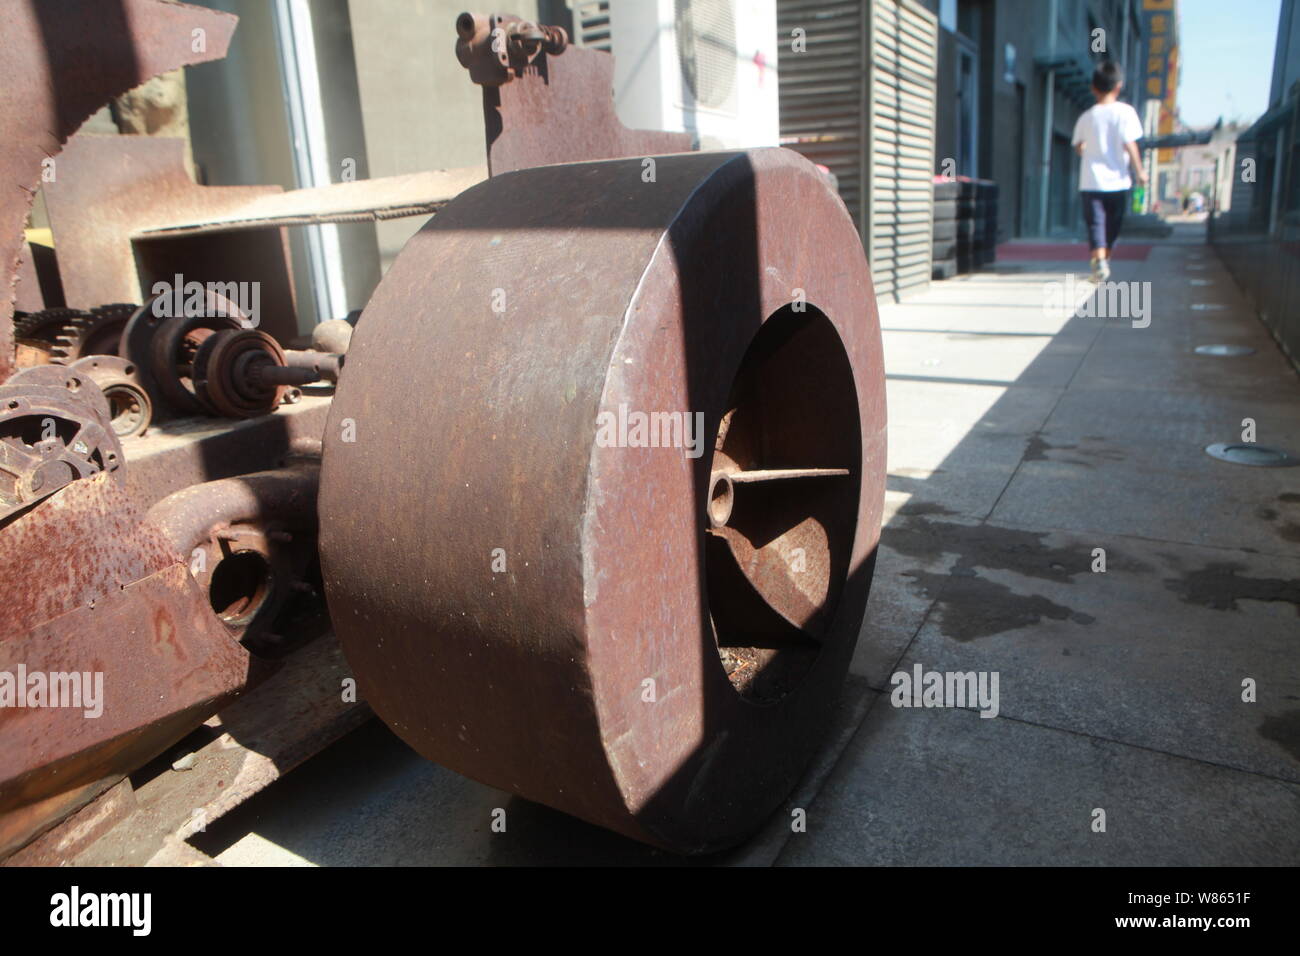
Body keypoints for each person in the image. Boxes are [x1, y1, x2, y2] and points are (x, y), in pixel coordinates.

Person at [1072, 61, 1147, 281]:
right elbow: (1130, 144)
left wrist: (1086, 149)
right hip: (1118, 181)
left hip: (1092, 181)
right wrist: (1140, 171)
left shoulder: (1087, 117)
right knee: (1112, 226)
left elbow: (1078, 146)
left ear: (1093, 88)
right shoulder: (1126, 113)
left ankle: (1100, 263)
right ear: (1118, 86)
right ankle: (1103, 262)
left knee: (1096, 224)